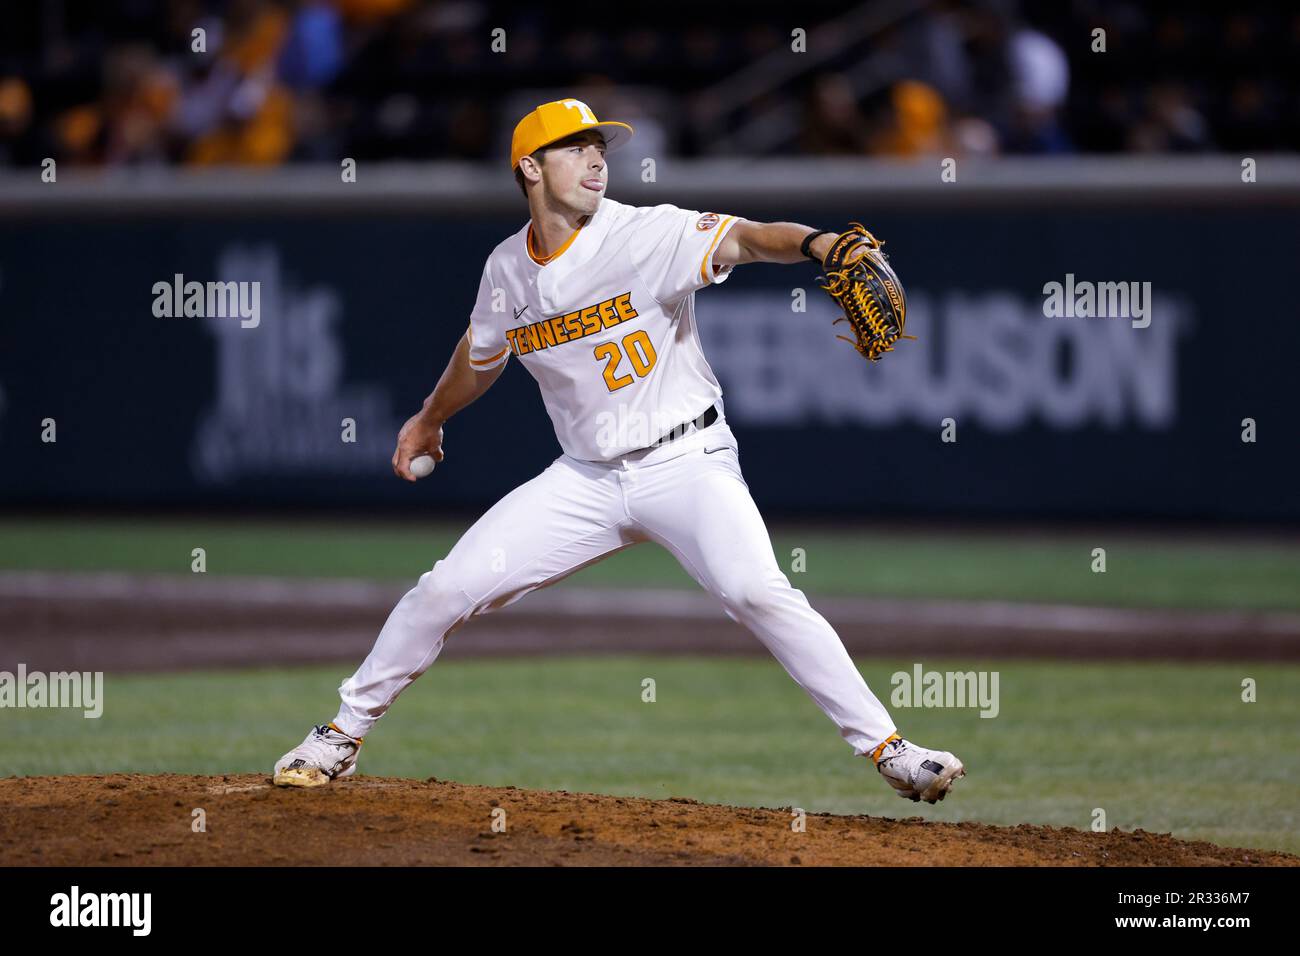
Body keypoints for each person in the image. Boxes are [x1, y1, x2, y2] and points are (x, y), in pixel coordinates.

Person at [273, 98, 966, 805]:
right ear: (530, 168)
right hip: (585, 480)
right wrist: (428, 418)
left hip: (686, 462)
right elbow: (481, 355)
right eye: (575, 148)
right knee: (445, 588)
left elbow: (753, 239)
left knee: (758, 590)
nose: (597, 158)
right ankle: (340, 734)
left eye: (600, 146)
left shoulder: (648, 232)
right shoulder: (507, 268)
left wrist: (820, 244)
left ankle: (891, 750)